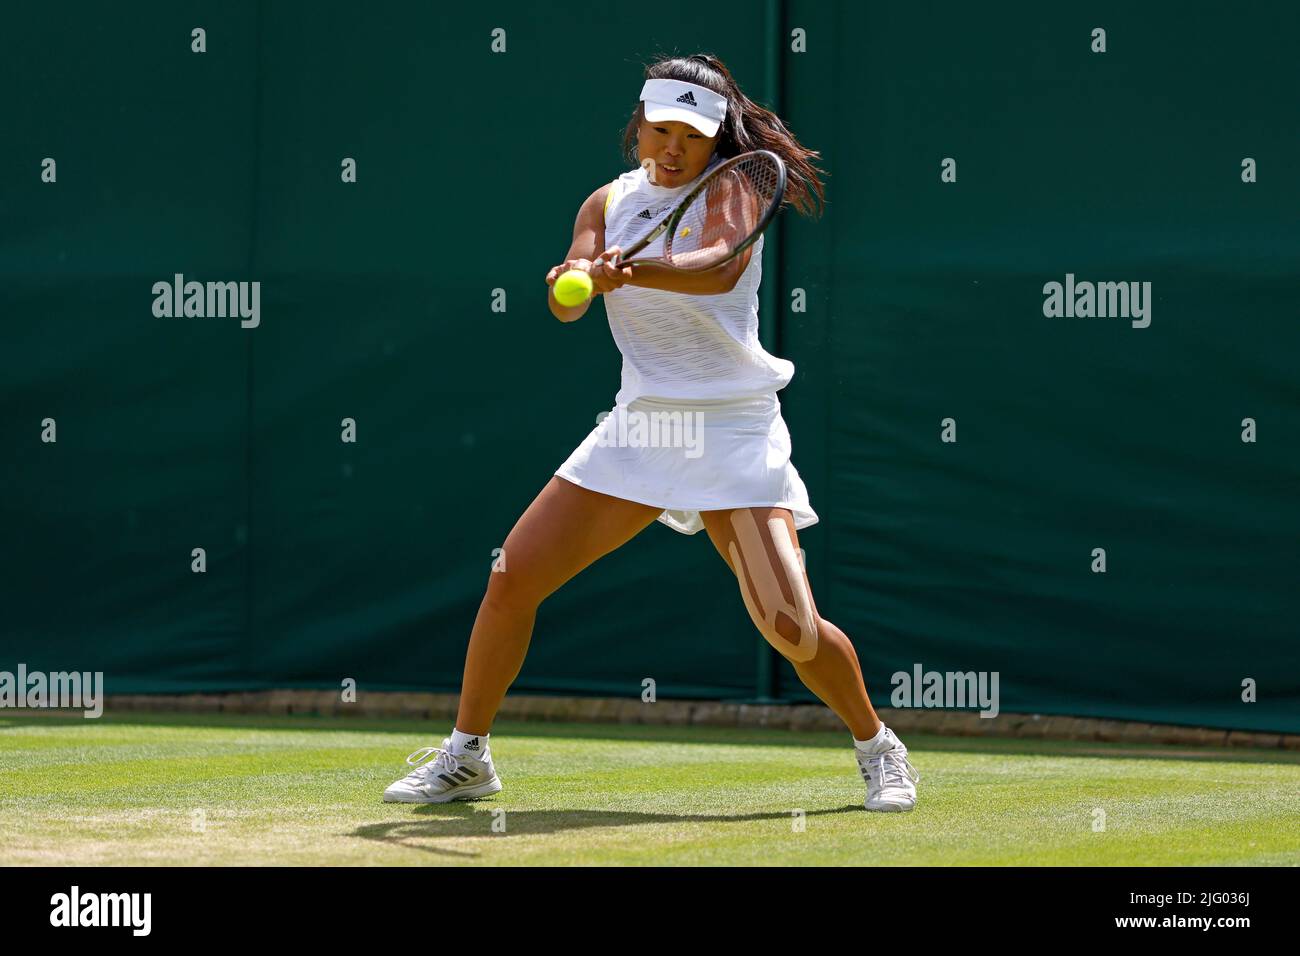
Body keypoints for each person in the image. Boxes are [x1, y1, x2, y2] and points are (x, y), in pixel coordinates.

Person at [384, 54, 919, 812]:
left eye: (692, 136)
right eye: (661, 130)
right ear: (638, 124)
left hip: (734, 428)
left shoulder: (737, 183)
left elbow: (717, 266)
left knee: (790, 626)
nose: (674, 148)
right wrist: (574, 282)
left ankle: (878, 745)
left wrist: (635, 274)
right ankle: (467, 756)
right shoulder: (605, 203)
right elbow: (568, 301)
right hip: (643, 426)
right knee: (513, 576)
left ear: (714, 141)